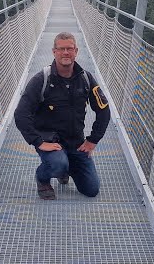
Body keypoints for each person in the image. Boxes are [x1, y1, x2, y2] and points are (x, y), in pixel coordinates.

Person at [14, 32, 110, 200]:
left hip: (76, 142)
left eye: (70, 49)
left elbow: (104, 111)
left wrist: (93, 140)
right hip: (51, 141)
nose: (66, 52)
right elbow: (21, 114)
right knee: (58, 164)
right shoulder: (41, 80)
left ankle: (65, 167)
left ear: (76, 51)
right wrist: (38, 141)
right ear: (54, 52)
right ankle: (43, 178)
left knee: (91, 189)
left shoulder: (86, 79)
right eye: (61, 49)